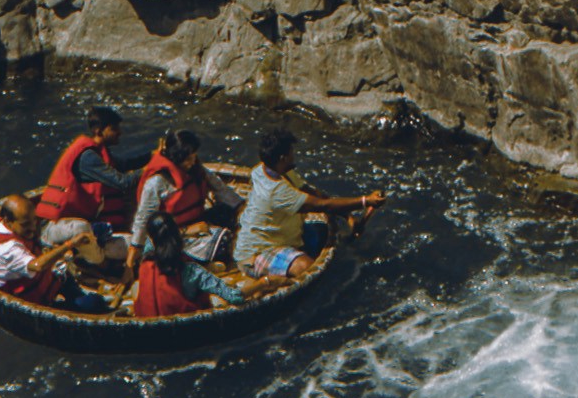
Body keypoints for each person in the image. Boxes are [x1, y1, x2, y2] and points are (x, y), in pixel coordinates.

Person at [229, 128, 384, 278]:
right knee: (306, 267)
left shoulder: (264, 169)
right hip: (257, 253)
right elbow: (322, 206)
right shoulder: (277, 191)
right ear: (283, 158)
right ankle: (269, 279)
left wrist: (347, 216)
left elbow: (314, 195)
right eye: (291, 152)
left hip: (281, 236)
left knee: (322, 230)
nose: (293, 155)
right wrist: (365, 201)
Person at [0, 196, 107, 313]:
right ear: (8, 222)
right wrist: (70, 244)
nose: (32, 227)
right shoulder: (8, 249)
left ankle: (79, 293)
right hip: (33, 299)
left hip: (46, 281)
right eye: (25, 224)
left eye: (34, 220)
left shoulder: (0, 226)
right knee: (95, 304)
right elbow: (38, 266)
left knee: (98, 232)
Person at [34, 106, 135, 243]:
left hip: (72, 224)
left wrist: (152, 156)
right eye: (114, 128)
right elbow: (123, 182)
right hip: (54, 227)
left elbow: (125, 165)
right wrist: (149, 169)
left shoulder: (99, 152)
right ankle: (98, 261)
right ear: (98, 131)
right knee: (84, 229)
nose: (119, 132)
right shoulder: (87, 157)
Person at [133, 129, 239, 260]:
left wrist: (241, 208)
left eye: (194, 157)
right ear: (177, 157)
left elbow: (221, 188)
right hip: (172, 236)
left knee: (226, 211)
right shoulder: (156, 182)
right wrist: (134, 252)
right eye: (189, 159)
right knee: (224, 243)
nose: (193, 162)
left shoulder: (195, 170)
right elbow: (143, 221)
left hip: (198, 222)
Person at [124, 189, 228, 318]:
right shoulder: (185, 266)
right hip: (184, 322)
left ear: (152, 239)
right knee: (218, 298)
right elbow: (231, 295)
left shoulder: (145, 264)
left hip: (150, 323)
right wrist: (260, 284)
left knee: (136, 286)